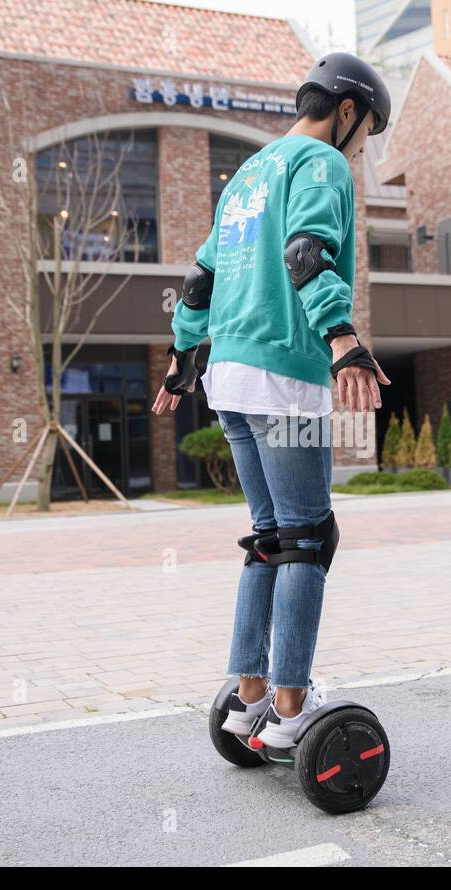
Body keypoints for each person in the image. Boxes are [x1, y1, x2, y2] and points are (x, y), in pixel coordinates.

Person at [152, 53, 391, 749]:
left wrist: (181, 357)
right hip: (284, 373)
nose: (364, 145)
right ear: (346, 111)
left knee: (268, 537)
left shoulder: (247, 175)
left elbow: (199, 279)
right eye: (368, 129)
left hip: (227, 373)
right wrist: (342, 337)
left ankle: (248, 695)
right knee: (306, 539)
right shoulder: (321, 165)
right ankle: (291, 708)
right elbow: (306, 252)